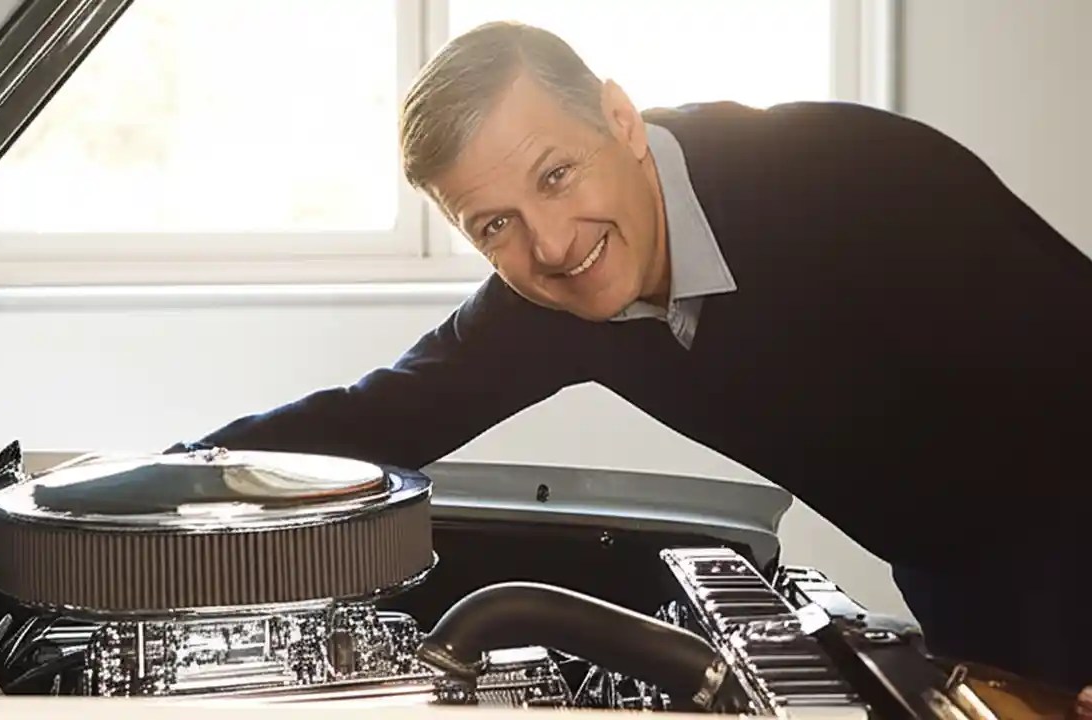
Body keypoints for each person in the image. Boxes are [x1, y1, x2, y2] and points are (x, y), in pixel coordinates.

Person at [169, 21, 1092, 690]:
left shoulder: (856, 177)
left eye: (556, 175)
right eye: (495, 225)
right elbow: (378, 416)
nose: (552, 243)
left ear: (620, 118)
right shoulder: (547, 301)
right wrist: (160, 482)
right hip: (952, 577)